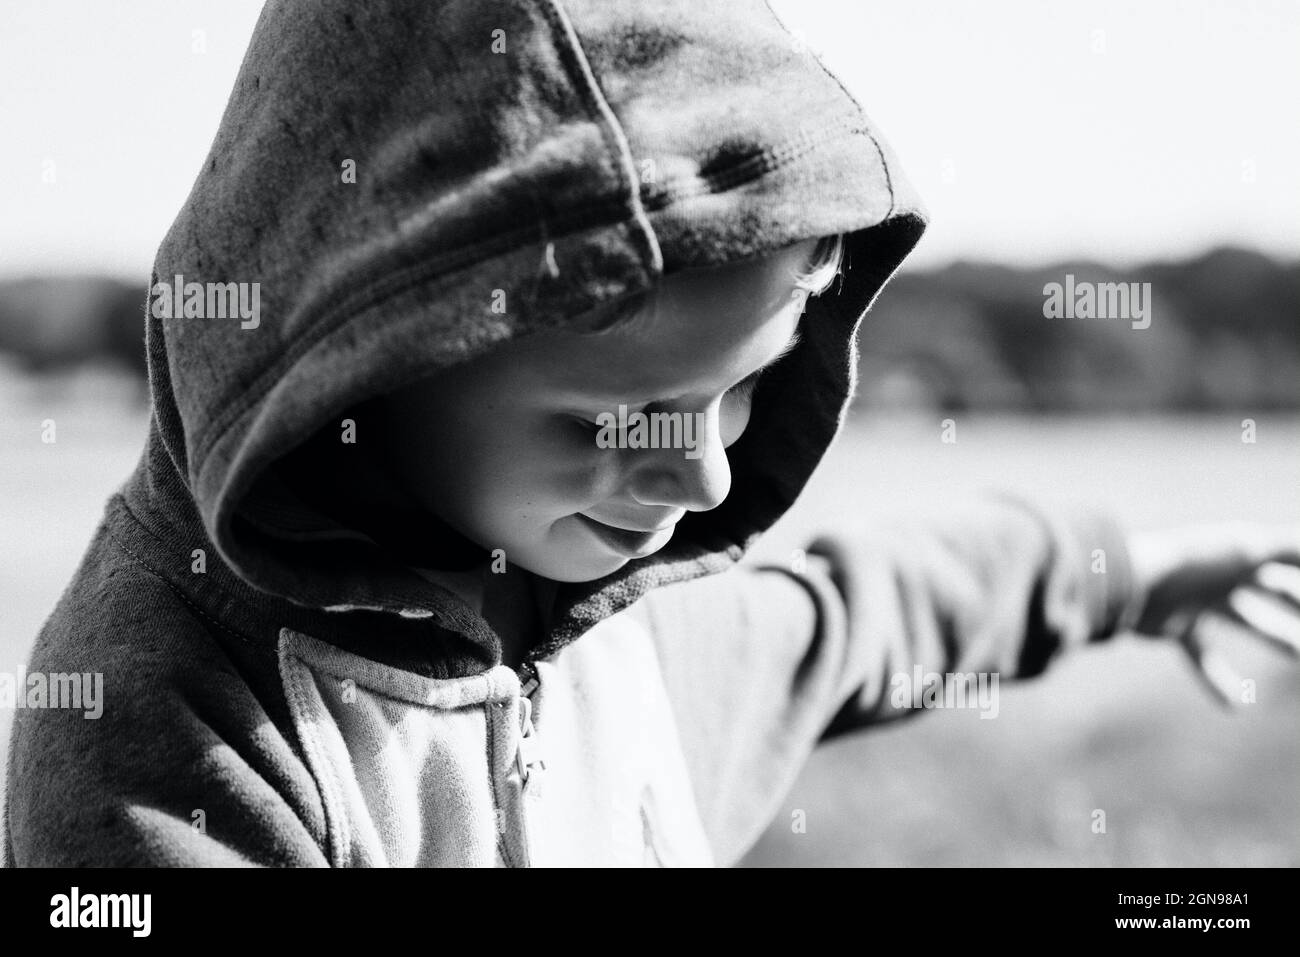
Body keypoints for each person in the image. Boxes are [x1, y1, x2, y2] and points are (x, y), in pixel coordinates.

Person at [5, 0, 1296, 867]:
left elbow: (869, 614)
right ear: (368, 368)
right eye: (616, 418)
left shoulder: (630, 635)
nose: (708, 471)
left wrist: (1130, 573)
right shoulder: (168, 730)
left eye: (744, 389)